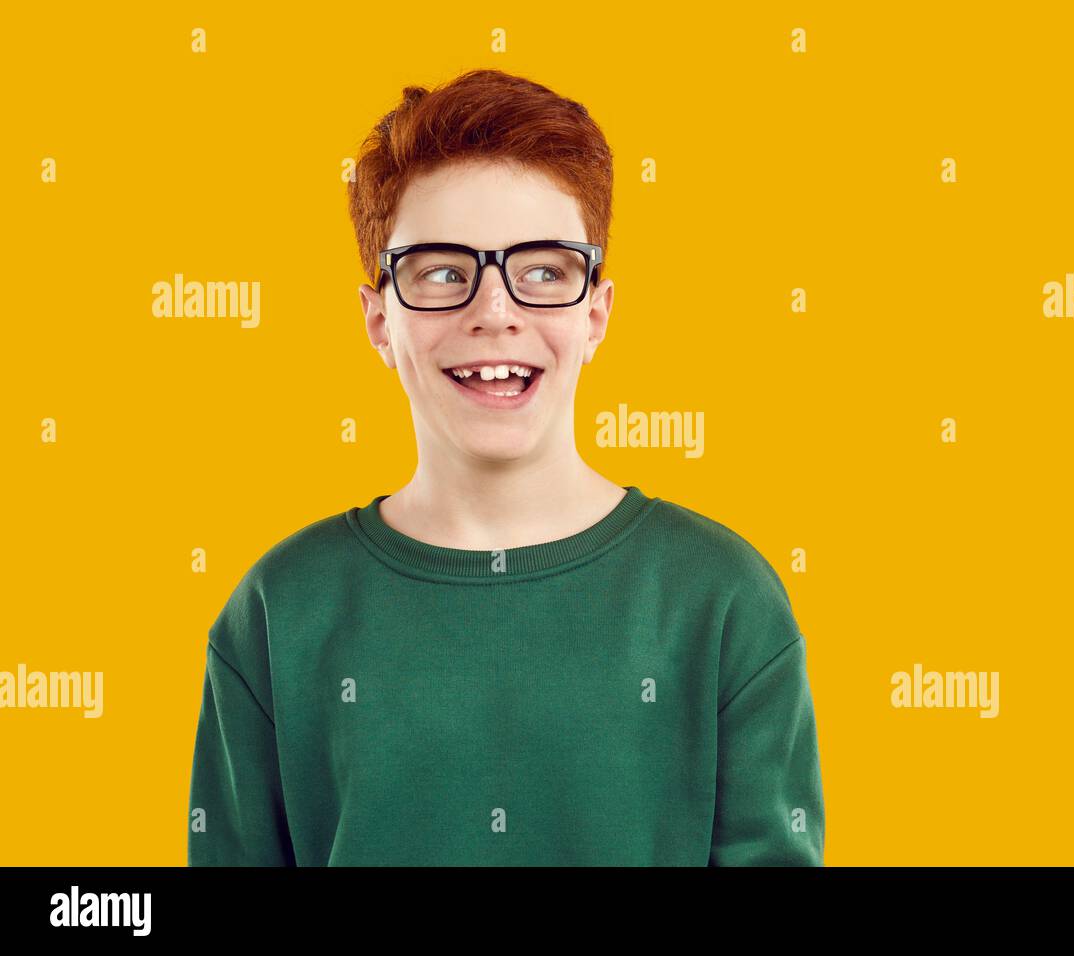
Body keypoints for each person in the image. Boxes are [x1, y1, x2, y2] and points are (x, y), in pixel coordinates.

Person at [187, 68, 825, 865]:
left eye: (543, 270)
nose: (495, 311)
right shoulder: (278, 612)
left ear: (596, 313)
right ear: (379, 319)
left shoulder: (725, 601)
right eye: (444, 272)